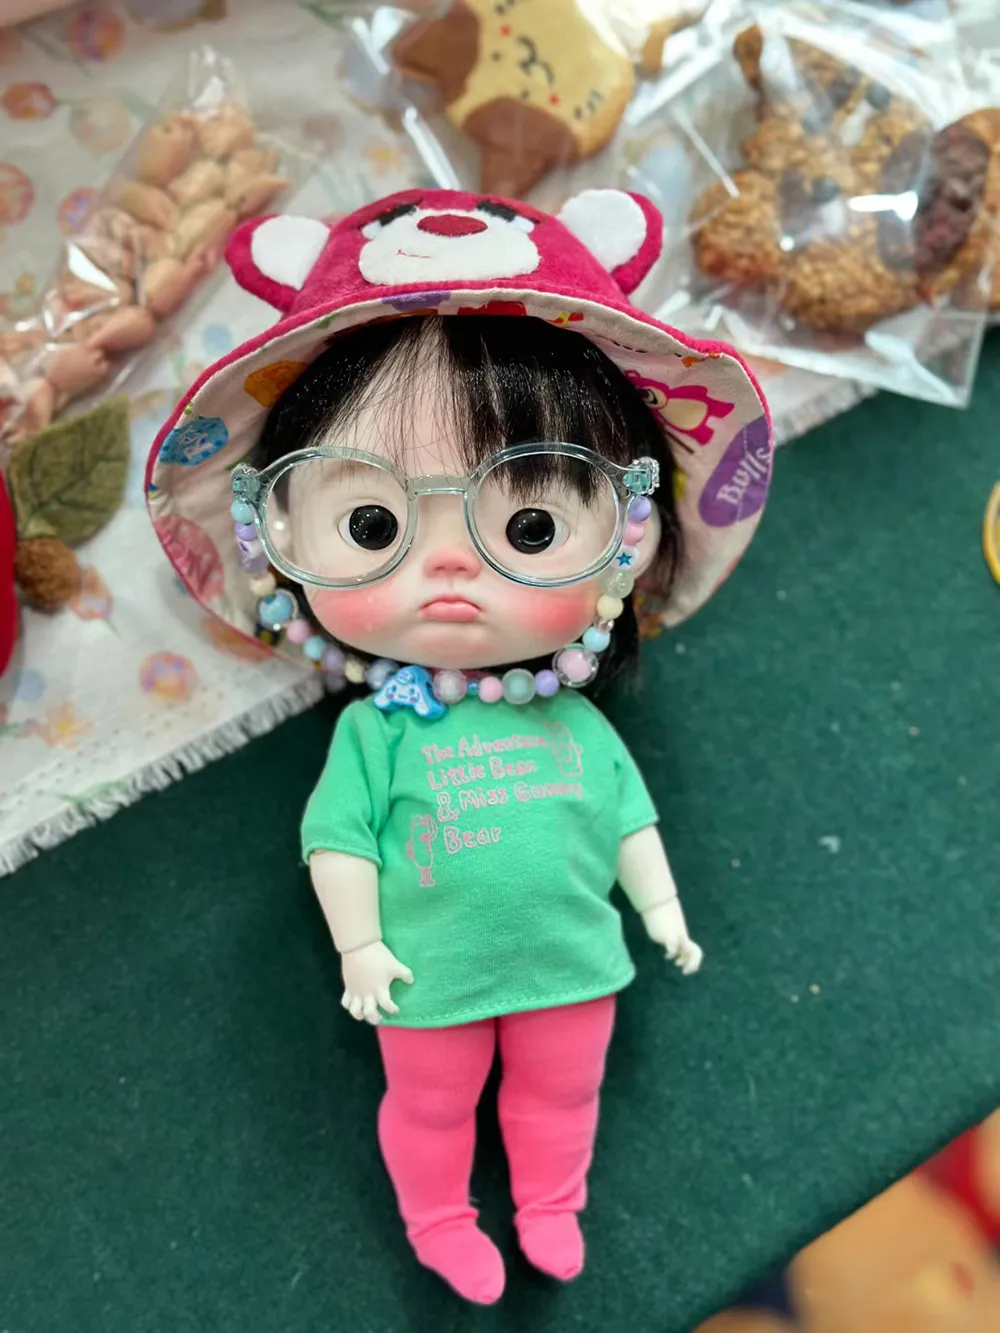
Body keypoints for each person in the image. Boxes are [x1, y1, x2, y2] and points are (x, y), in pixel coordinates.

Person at [149, 186, 773, 1304]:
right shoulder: (377, 733)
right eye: (373, 524)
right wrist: (360, 945)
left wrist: (664, 912)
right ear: (278, 535)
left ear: (628, 539)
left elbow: (629, 823)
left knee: (563, 1092)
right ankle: (439, 1215)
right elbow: (337, 842)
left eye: (529, 525)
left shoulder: (572, 719)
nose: (450, 564)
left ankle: (551, 1202)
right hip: (426, 977)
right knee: (431, 1102)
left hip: (572, 964)